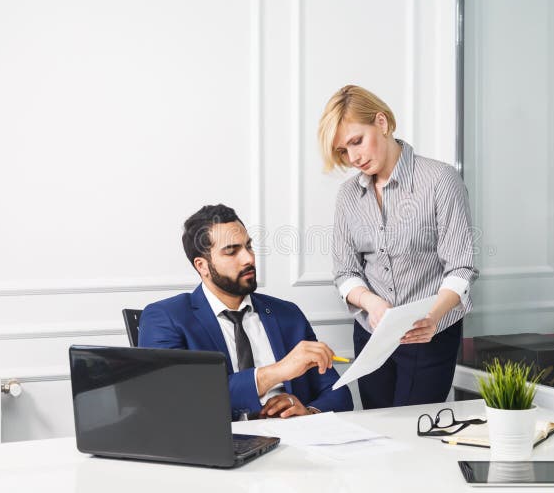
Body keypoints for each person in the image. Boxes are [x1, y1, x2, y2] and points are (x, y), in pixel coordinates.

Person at [317, 84, 479, 409]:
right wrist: (371, 304)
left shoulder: (440, 180)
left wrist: (432, 318)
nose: (354, 158)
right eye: (343, 151)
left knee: (413, 431)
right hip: (371, 334)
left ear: (382, 122)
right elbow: (345, 272)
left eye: (356, 142)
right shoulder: (348, 195)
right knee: (377, 429)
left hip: (429, 334)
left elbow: (460, 266)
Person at [139, 204, 353, 419]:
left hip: (294, 441)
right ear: (202, 266)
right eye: (231, 252)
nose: (248, 259)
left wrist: (308, 412)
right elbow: (177, 398)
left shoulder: (288, 314)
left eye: (248, 247)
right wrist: (277, 371)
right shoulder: (165, 317)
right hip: (221, 445)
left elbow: (338, 393)